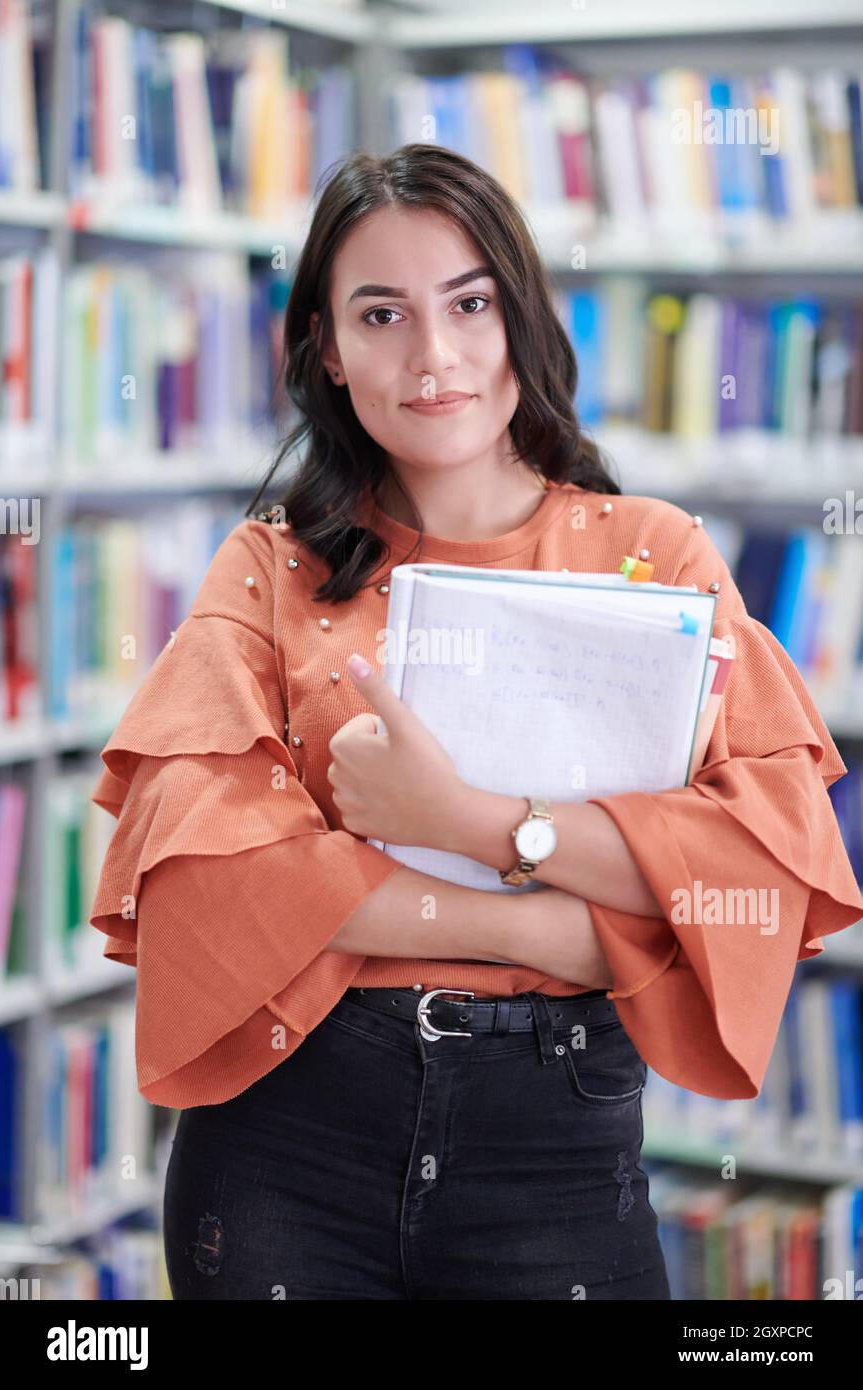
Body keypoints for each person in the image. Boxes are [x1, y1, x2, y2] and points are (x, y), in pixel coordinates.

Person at [88, 143, 863, 1301]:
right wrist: (567, 922)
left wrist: (458, 818)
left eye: (467, 303)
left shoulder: (655, 558)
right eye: (381, 314)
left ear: (522, 319)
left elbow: (754, 868)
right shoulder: (266, 570)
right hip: (285, 1142)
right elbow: (206, 884)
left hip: (552, 1144)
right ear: (326, 351)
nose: (433, 356)